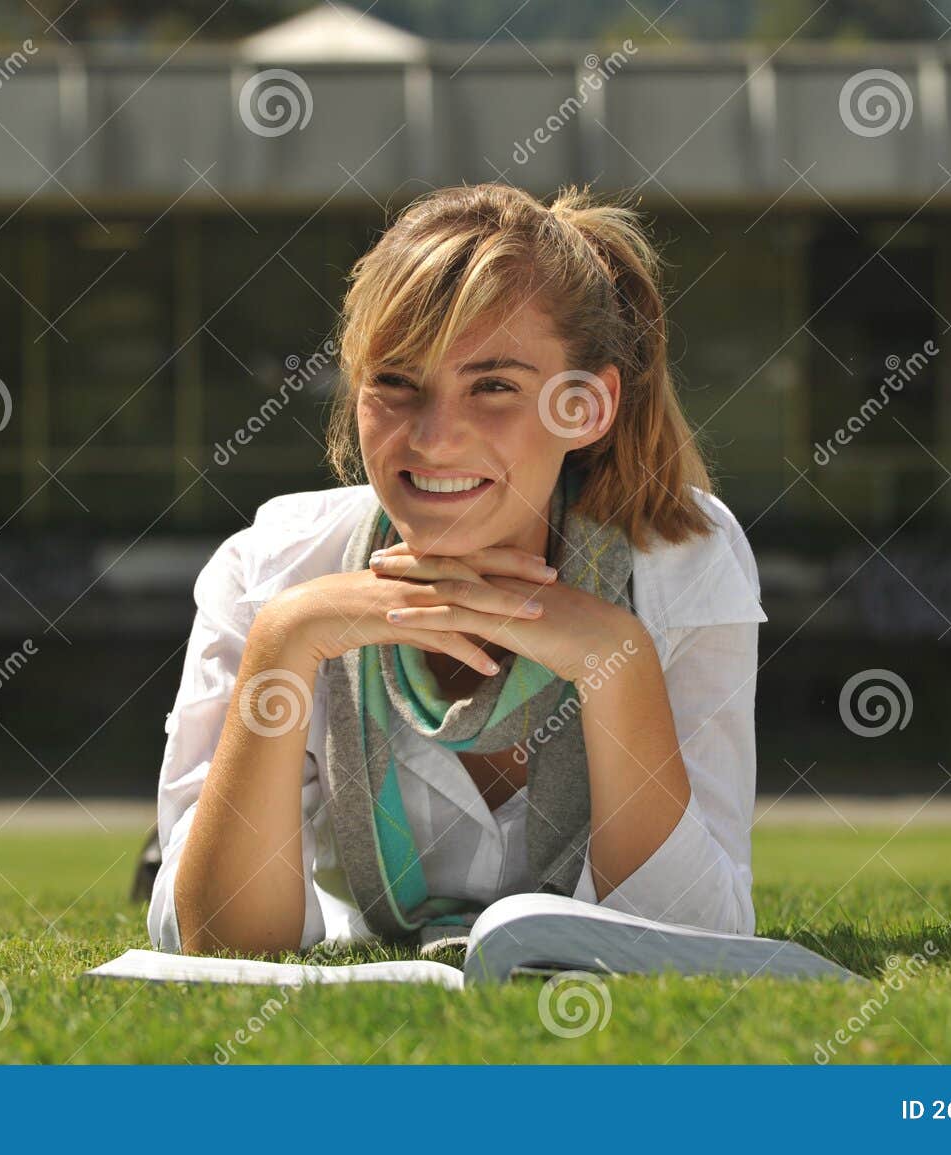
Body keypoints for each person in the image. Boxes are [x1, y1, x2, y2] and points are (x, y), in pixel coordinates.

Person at [146, 182, 766, 956]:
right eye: (396, 382)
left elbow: (695, 937)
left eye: (494, 386)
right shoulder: (270, 570)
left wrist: (618, 661)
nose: (435, 439)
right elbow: (222, 943)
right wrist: (285, 638)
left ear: (587, 406)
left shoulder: (680, 555)